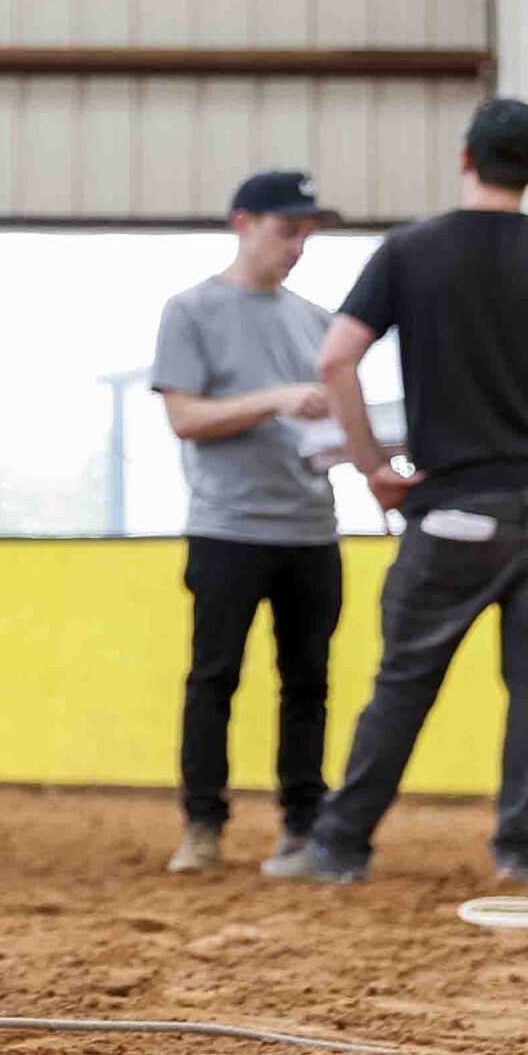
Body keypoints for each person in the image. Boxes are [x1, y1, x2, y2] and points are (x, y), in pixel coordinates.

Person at [274, 98, 528, 886]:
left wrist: (374, 470)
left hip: (455, 515)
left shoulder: (410, 253)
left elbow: (336, 360)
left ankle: (339, 848)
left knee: (404, 683)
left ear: (465, 158)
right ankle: (522, 856)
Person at [150, 168, 348, 876]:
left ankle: (303, 825)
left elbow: (333, 419)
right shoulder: (191, 311)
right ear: (244, 223)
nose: (297, 244)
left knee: (308, 683)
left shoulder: (319, 322)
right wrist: (274, 400)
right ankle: (203, 825)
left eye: (306, 233)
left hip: (310, 530)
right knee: (214, 679)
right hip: (227, 529)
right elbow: (185, 417)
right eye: (285, 229)